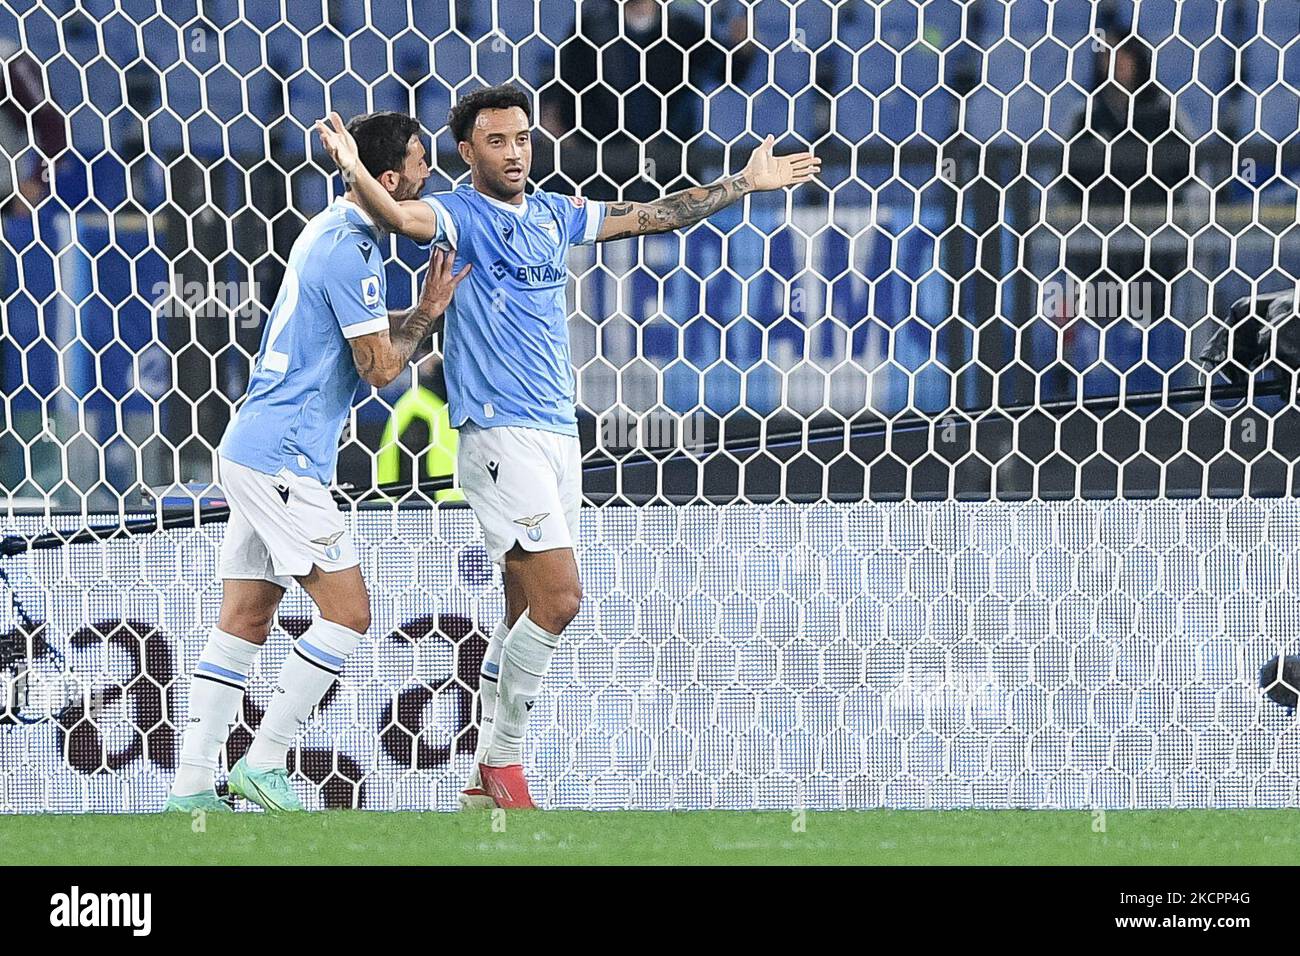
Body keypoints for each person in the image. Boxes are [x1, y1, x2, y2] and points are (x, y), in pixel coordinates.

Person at [317, 83, 819, 808]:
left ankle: (482, 785)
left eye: (521, 138)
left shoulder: (557, 213)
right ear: (468, 152)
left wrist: (745, 181)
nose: (515, 151)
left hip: (557, 434)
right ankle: (505, 763)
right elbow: (396, 214)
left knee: (525, 612)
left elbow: (651, 216)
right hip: (497, 432)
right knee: (562, 601)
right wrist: (349, 163)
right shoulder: (458, 216)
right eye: (497, 141)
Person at [165, 112, 469, 813]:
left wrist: (416, 311)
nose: (428, 179)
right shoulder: (351, 251)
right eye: (422, 165)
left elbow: (360, 339)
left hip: (253, 446)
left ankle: (188, 788)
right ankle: (264, 763)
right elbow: (380, 370)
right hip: (285, 458)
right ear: (388, 179)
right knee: (349, 613)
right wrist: (426, 314)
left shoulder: (331, 232)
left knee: (243, 618)